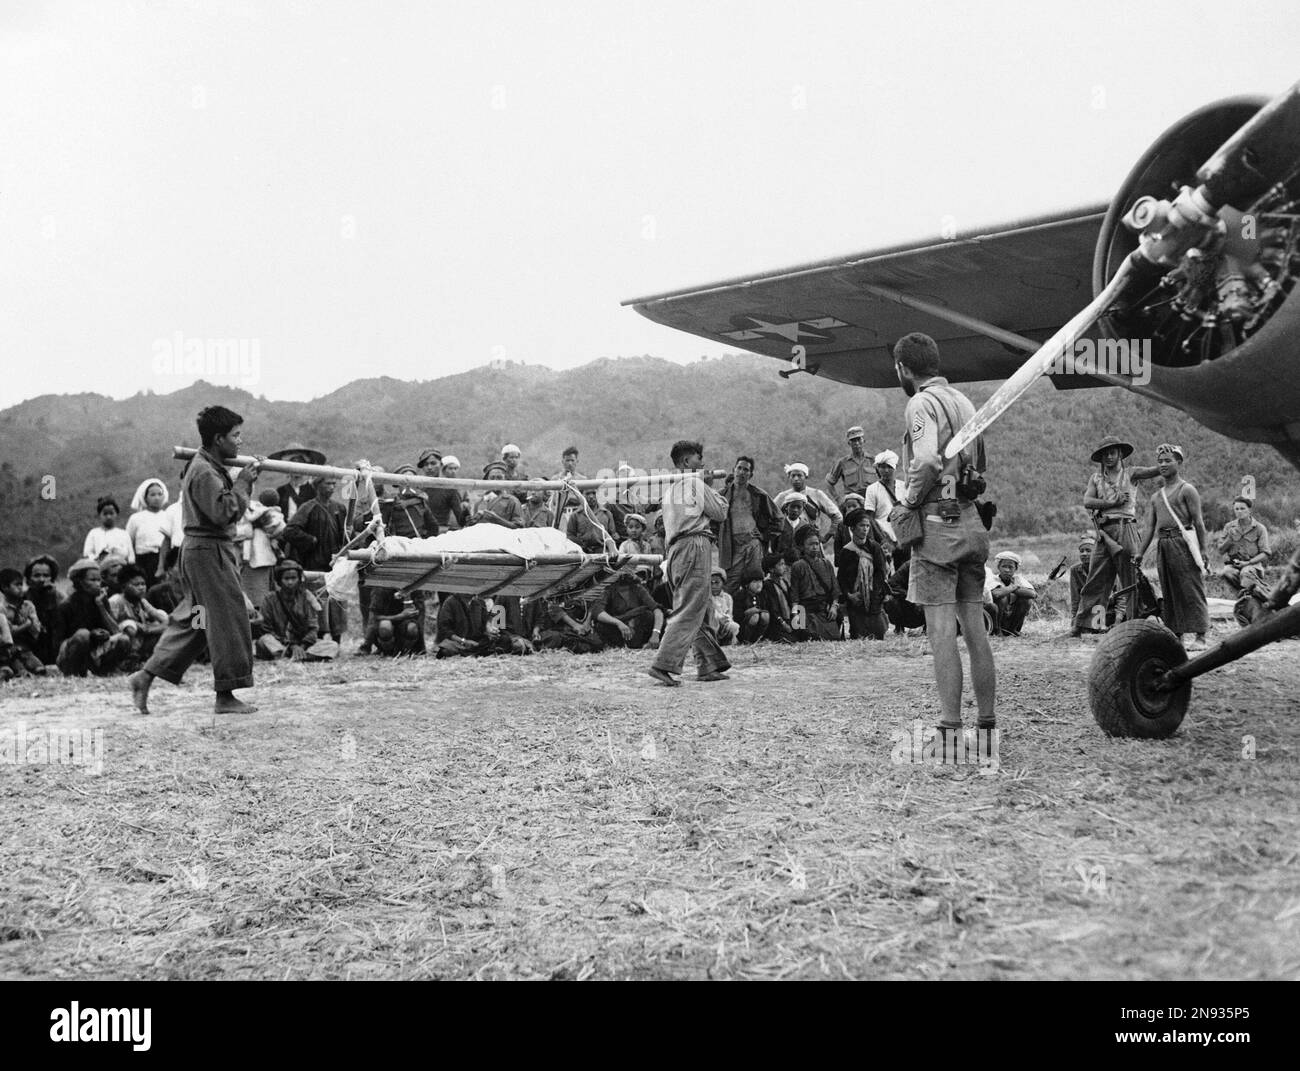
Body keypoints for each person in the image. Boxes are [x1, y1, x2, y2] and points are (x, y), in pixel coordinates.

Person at [891, 332, 994, 750]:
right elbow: (980, 461)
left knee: (939, 632)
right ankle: (986, 723)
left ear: (903, 368)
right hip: (969, 519)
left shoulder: (920, 403)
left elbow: (928, 458)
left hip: (936, 525)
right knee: (975, 628)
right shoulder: (964, 401)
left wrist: (909, 500)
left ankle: (950, 729)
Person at [129, 405, 264, 716]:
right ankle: (225, 695)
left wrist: (242, 481)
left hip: (206, 552)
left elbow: (224, 505)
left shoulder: (209, 467)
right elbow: (223, 512)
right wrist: (242, 483)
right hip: (208, 553)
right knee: (228, 619)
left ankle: (145, 675)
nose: (240, 441)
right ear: (218, 439)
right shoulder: (203, 470)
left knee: (198, 622)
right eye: (235, 435)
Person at [647, 440, 730, 686]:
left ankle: (709, 665)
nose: (702, 463)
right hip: (694, 546)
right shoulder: (694, 483)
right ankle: (663, 664)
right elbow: (720, 512)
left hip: (676, 551)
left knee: (702, 608)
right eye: (698, 458)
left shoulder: (671, 489)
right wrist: (710, 487)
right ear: (686, 462)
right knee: (690, 608)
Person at [1071, 435, 1159, 635]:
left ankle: (1135, 624)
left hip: (1125, 527)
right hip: (1104, 533)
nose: (1109, 457)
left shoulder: (1132, 473)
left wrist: (1169, 459)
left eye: (1112, 452)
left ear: (1120, 454)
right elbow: (1087, 500)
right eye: (1105, 454)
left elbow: (1155, 471)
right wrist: (1111, 503)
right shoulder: (1096, 478)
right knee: (1097, 580)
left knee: (1130, 579)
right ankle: (1091, 625)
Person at [1136, 443, 1209, 648]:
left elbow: (1199, 522)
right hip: (1164, 544)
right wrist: (1140, 553)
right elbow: (1149, 527)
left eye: (1168, 460)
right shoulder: (1156, 496)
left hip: (1183, 543)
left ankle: (1201, 636)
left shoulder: (1187, 490)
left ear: (1179, 462)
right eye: (1160, 462)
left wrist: (1203, 550)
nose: (1163, 464)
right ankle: (1177, 636)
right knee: (1170, 590)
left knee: (1191, 588)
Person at [57, 559, 132, 676]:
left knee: (123, 639)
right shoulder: (66, 605)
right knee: (83, 634)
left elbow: (115, 631)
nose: (98, 584)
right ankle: (74, 672)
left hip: (95, 650)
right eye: (92, 580)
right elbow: (59, 641)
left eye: (99, 580)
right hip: (71, 652)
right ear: (80, 582)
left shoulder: (101, 600)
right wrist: (91, 635)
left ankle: (104, 671)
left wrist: (101, 606)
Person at [256, 559, 337, 661]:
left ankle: (299, 656)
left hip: (302, 643)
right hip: (278, 643)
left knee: (332, 645)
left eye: (293, 578)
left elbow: (313, 628)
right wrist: (291, 645)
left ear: (299, 579)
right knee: (264, 640)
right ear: (279, 580)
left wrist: (302, 646)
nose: (290, 582)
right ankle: (290, 655)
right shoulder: (269, 599)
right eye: (286, 578)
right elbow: (265, 629)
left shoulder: (306, 597)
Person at [719, 456, 779, 594]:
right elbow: (712, 522)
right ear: (733, 470)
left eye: (746, 470)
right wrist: (719, 539)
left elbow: (778, 519)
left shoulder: (759, 495)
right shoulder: (721, 496)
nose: (741, 472)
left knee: (755, 583)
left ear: (750, 475)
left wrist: (764, 535)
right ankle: (731, 615)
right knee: (729, 585)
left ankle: (757, 613)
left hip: (753, 544)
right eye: (739, 468)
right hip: (732, 547)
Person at [836, 507, 889, 640]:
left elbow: (880, 573)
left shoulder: (875, 548)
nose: (865, 529)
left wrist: (872, 593)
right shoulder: (846, 551)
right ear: (853, 529)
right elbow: (841, 578)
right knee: (859, 635)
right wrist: (850, 595)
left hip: (873, 597)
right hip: (856, 600)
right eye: (861, 526)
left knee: (878, 632)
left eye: (867, 526)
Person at [108, 563, 169, 664]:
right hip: (119, 642)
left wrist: (148, 629)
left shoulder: (142, 602)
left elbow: (165, 622)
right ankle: (121, 663)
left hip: (138, 643)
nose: (141, 588)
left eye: (143, 584)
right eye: (136, 585)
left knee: (161, 616)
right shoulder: (116, 601)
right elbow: (111, 627)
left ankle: (144, 660)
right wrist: (134, 625)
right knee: (129, 627)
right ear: (123, 587)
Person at [774, 463, 842, 553]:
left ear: (805, 476)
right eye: (793, 476)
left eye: (799, 475)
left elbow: (837, 516)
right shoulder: (782, 497)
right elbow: (769, 514)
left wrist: (827, 535)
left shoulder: (817, 494)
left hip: (811, 543)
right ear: (789, 477)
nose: (796, 479)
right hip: (788, 544)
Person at [790, 526, 842, 640]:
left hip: (823, 609)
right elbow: (794, 594)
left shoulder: (826, 564)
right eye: (810, 544)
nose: (815, 547)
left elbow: (835, 589)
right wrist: (795, 615)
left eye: (817, 544)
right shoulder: (798, 566)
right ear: (803, 546)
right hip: (805, 609)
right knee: (807, 636)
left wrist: (834, 606)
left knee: (835, 637)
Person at [1215, 496, 1271, 597]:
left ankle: (1250, 594)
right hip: (1234, 565)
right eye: (1236, 509)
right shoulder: (1229, 527)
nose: (1239, 511)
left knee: (1246, 572)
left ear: (1249, 510)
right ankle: (1247, 593)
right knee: (1226, 572)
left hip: (1253, 565)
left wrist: (1247, 563)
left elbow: (1265, 553)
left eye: (1242, 508)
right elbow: (1220, 551)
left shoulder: (1259, 528)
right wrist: (1230, 539)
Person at [597, 570, 662, 649]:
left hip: (637, 626)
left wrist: (656, 633)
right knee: (601, 625)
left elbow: (657, 610)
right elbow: (598, 613)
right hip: (617, 627)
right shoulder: (609, 589)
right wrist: (619, 623)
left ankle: (643, 644)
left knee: (648, 615)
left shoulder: (637, 588)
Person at [0, 568, 46, 676]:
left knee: (39, 669)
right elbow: (8, 633)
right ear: (4, 587)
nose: (21, 588)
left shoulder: (27, 606)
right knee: (19, 669)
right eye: (17, 585)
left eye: (22, 584)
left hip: (25, 647)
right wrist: (26, 625)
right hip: (6, 650)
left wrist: (32, 625)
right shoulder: (2, 609)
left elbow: (36, 630)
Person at [862, 450, 905, 560]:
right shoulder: (872, 489)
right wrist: (883, 540)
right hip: (884, 537)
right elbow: (870, 517)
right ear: (878, 468)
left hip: (904, 538)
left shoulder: (903, 486)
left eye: (889, 467)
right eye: (882, 467)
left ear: (895, 467)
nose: (885, 470)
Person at [126, 478, 171, 582]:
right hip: (144, 561)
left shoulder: (168, 516)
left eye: (160, 494)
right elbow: (128, 542)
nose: (157, 498)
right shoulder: (136, 518)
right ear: (145, 498)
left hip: (165, 559)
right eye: (152, 495)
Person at [268, 442, 326, 520]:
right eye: (293, 462)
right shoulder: (281, 491)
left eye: (300, 462)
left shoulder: (314, 491)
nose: (296, 467)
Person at [984, 551, 1037, 637]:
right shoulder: (993, 579)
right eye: (1004, 566)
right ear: (998, 567)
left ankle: (1013, 630)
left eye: (1010, 567)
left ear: (1016, 569)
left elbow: (1033, 594)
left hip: (1011, 619)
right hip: (997, 620)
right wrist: (1012, 587)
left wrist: (1009, 589)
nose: (1007, 570)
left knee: (1027, 600)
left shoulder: (1018, 579)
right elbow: (995, 594)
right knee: (1002, 598)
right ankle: (998, 631)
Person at [23, 555, 63, 666]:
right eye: (37, 575)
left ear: (52, 578)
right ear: (28, 579)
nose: (42, 580)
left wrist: (51, 600)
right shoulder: (21, 599)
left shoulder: (61, 598)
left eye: (46, 575)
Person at [826, 425, 875, 502]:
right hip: (852, 502)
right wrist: (838, 499)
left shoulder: (874, 460)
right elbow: (829, 482)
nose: (857, 443)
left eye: (859, 439)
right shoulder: (842, 462)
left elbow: (885, 479)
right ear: (849, 443)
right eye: (853, 440)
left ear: (864, 440)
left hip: (871, 501)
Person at [84, 497, 135, 563]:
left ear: (116, 514)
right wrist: (97, 559)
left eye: (111, 513)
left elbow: (131, 555)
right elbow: (87, 554)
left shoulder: (123, 534)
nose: (108, 517)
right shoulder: (93, 533)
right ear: (99, 515)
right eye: (105, 514)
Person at [566, 489, 618, 553]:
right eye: (587, 494)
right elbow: (570, 535)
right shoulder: (575, 515)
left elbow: (612, 534)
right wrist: (581, 544)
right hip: (582, 551)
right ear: (582, 495)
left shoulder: (607, 514)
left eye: (594, 493)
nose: (591, 496)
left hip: (602, 550)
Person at [427, 454, 469, 531]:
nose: (453, 471)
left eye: (455, 468)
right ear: (443, 469)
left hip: (458, 523)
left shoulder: (462, 487)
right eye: (450, 468)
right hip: (442, 524)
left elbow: (466, 503)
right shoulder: (437, 486)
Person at [709, 567, 741, 644]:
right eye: (711, 583)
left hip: (725, 625)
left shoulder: (727, 598)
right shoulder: (707, 598)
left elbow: (729, 615)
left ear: (723, 583)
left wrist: (726, 620)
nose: (714, 586)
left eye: (717, 582)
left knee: (734, 627)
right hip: (712, 625)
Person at [1068, 535, 1096, 618]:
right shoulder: (1074, 570)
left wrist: (1118, 619)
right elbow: (1075, 598)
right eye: (1081, 551)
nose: (1084, 554)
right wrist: (1074, 617)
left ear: (1096, 552)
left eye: (1088, 550)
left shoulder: (1105, 568)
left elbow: (1120, 598)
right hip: (1086, 610)